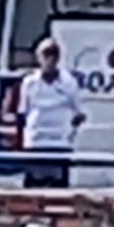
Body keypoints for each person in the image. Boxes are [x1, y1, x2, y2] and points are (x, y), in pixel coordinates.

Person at [17, 38, 84, 188]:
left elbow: (79, 113)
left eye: (53, 54)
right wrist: (21, 140)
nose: (49, 59)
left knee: (58, 187)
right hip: (35, 141)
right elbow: (22, 113)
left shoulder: (69, 82)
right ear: (38, 57)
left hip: (60, 142)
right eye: (45, 55)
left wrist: (69, 132)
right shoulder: (29, 83)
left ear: (58, 58)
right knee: (34, 187)